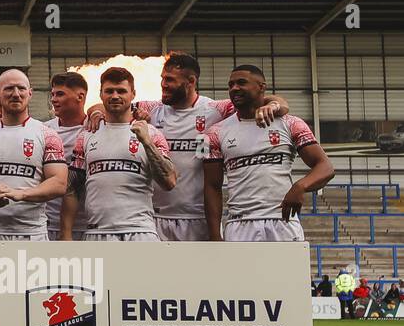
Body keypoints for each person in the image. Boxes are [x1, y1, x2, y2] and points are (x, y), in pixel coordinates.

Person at [85, 52, 289, 242]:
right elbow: (111, 103)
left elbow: (268, 100)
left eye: (170, 80)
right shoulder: (152, 109)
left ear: (191, 82)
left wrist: (275, 105)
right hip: (156, 218)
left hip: (198, 217)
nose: (163, 85)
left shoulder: (216, 109)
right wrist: (95, 112)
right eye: (163, 79)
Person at [203, 65, 335, 241]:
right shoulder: (213, 132)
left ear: (262, 87)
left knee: (289, 270)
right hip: (240, 224)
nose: (234, 88)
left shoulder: (291, 123)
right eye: (231, 85)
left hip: (283, 221)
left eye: (241, 82)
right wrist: (214, 234)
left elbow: (326, 167)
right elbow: (211, 186)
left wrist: (299, 187)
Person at [62, 68, 176, 242]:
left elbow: (169, 181)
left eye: (121, 91)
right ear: (100, 94)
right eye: (109, 91)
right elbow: (72, 190)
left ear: (133, 94)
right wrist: (66, 234)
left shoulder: (151, 134)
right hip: (97, 232)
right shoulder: (86, 135)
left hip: (140, 231)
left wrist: (146, 142)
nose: (115, 96)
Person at [0, 68, 67, 241]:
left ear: (30, 93)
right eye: (9, 89)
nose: (16, 94)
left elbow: (59, 183)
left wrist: (20, 194)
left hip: (32, 233)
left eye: (21, 88)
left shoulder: (47, 134)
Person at [44, 73, 90, 240]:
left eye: (60, 94)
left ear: (80, 96)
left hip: (89, 225)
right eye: (53, 94)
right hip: (50, 224)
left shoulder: (96, 128)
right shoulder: (44, 131)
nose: (54, 99)